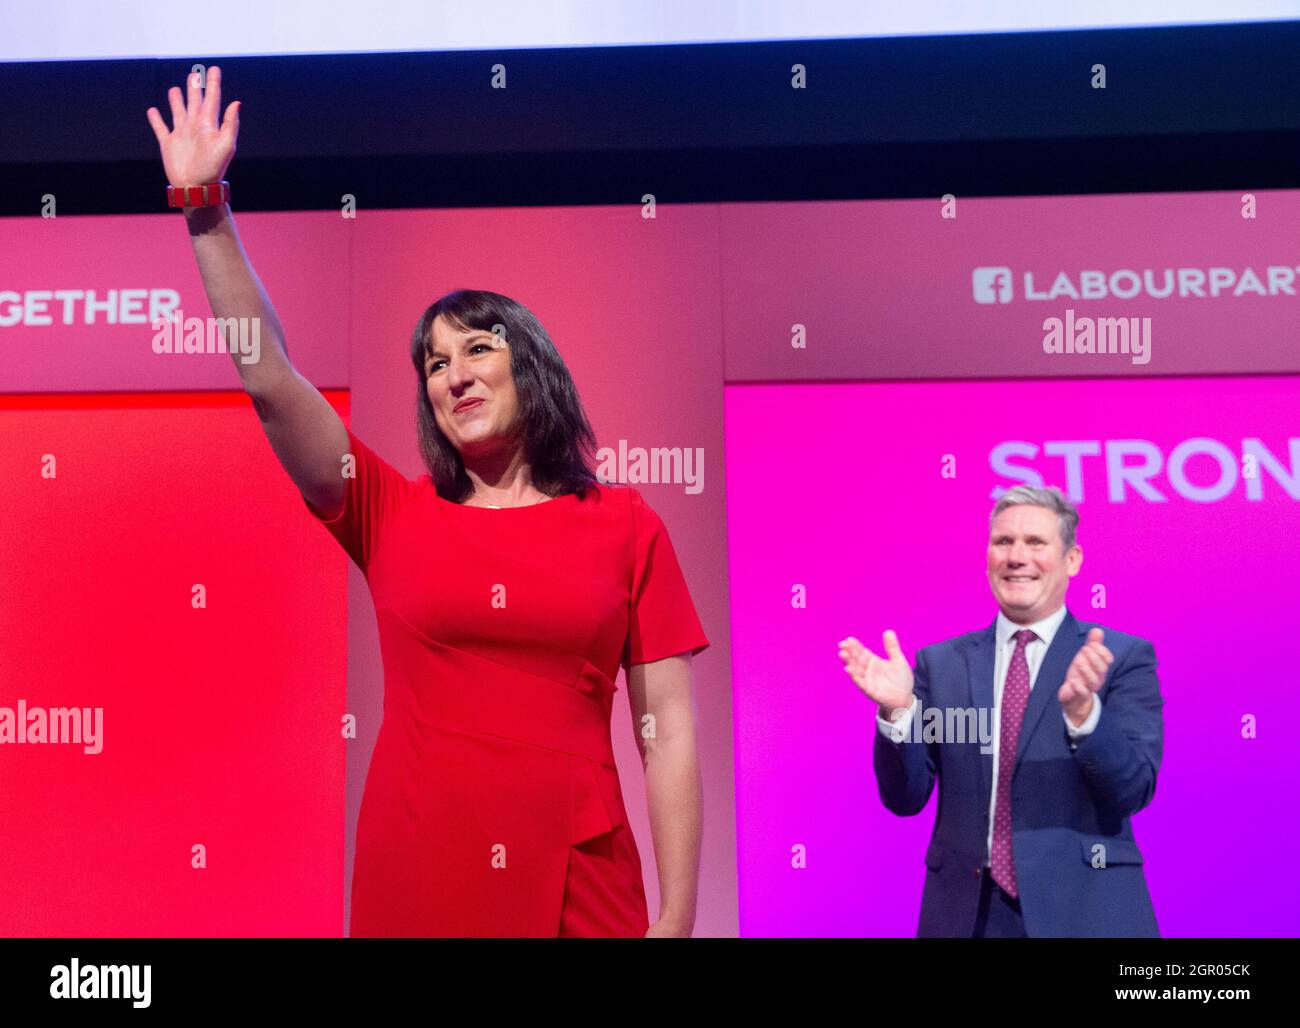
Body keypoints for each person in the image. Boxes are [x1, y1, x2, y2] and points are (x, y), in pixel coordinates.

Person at [148, 67, 709, 937]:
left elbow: (666, 730)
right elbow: (270, 380)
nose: (454, 374)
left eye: (477, 348)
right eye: (435, 363)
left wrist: (679, 915)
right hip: (422, 871)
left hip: (581, 877)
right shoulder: (391, 512)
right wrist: (205, 209)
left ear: (532, 368)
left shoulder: (626, 525)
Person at [838, 485, 1162, 937]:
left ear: (1072, 560)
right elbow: (905, 797)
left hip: (1085, 914)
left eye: (1035, 543)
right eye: (1003, 542)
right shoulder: (942, 665)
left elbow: (1133, 789)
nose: (1016, 556)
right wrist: (897, 714)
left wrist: (1086, 716)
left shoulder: (1119, 657)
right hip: (969, 918)